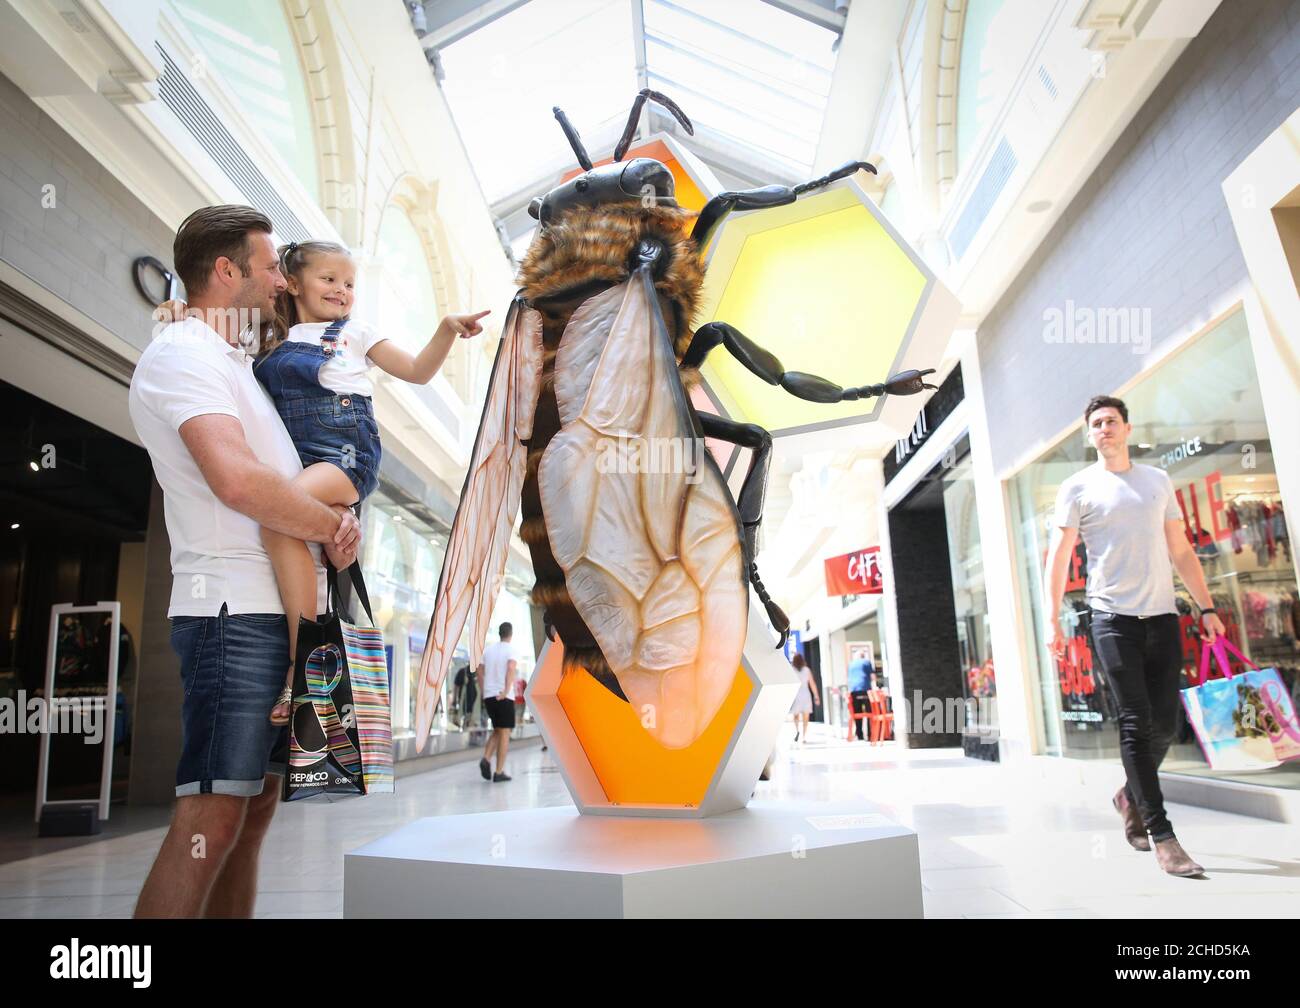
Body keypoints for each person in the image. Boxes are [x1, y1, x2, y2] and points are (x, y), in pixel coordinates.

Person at [128, 206, 361, 917]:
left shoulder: (227, 360)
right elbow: (233, 479)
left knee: (252, 810)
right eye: (265, 267)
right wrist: (327, 524)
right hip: (233, 615)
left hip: (268, 612)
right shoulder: (182, 355)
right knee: (213, 814)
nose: (276, 281)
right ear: (225, 271)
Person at [160, 240, 489, 724]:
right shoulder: (267, 338)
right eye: (329, 279)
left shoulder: (356, 333)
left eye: (350, 283)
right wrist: (176, 311)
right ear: (292, 284)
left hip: (344, 455)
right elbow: (213, 330)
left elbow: (418, 371)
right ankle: (306, 657)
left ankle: (302, 666)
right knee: (284, 527)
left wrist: (444, 329)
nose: (342, 290)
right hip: (298, 462)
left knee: (276, 522)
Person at [1044, 395, 1225, 879]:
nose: (1104, 429)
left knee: (1165, 725)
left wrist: (1206, 606)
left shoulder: (1156, 481)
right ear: (1089, 435)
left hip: (1163, 616)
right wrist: (1050, 620)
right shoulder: (1078, 487)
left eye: (1111, 422)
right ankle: (1160, 832)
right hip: (1110, 618)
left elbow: (1181, 550)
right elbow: (1059, 556)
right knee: (1133, 720)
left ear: (1127, 428)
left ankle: (1129, 794)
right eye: (1096, 424)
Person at [478, 623, 519, 782]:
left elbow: (480, 671)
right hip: (503, 697)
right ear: (511, 634)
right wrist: (506, 690)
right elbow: (510, 668)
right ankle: (499, 771)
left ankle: (486, 759)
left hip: (489, 696)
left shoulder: (488, 650)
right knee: (505, 733)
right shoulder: (511, 650)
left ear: (499, 633)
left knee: (497, 729)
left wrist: (484, 690)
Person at [788, 653, 819, 744]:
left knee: (796, 715)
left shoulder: (792, 669)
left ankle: (797, 730)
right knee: (806, 716)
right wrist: (816, 696)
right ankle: (804, 736)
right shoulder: (807, 670)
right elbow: (812, 684)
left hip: (796, 694)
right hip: (805, 694)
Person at [847, 649, 876, 741]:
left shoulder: (851, 664)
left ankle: (859, 734)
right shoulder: (867, 662)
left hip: (853, 690)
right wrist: (875, 686)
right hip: (865, 689)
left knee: (857, 712)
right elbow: (872, 677)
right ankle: (870, 734)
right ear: (863, 656)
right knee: (869, 712)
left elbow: (849, 678)